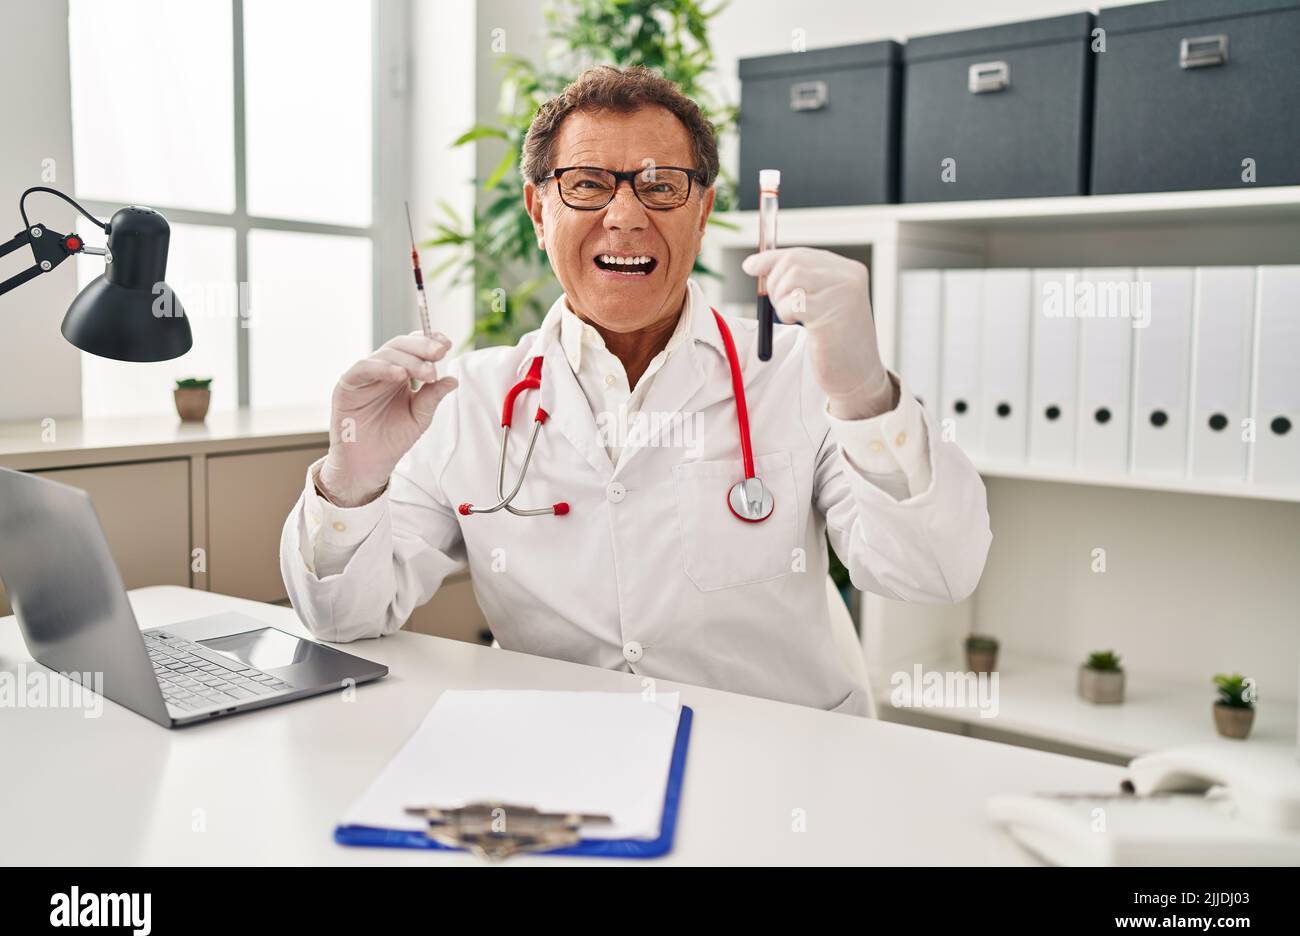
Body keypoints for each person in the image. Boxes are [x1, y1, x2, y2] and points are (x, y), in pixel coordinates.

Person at [280, 65, 991, 717]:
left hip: (773, 770)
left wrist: (868, 395)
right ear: (537, 210)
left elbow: (934, 573)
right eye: (587, 184)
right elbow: (345, 621)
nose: (624, 216)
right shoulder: (465, 399)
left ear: (703, 211)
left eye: (660, 185)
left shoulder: (800, 373)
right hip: (562, 771)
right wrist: (353, 477)